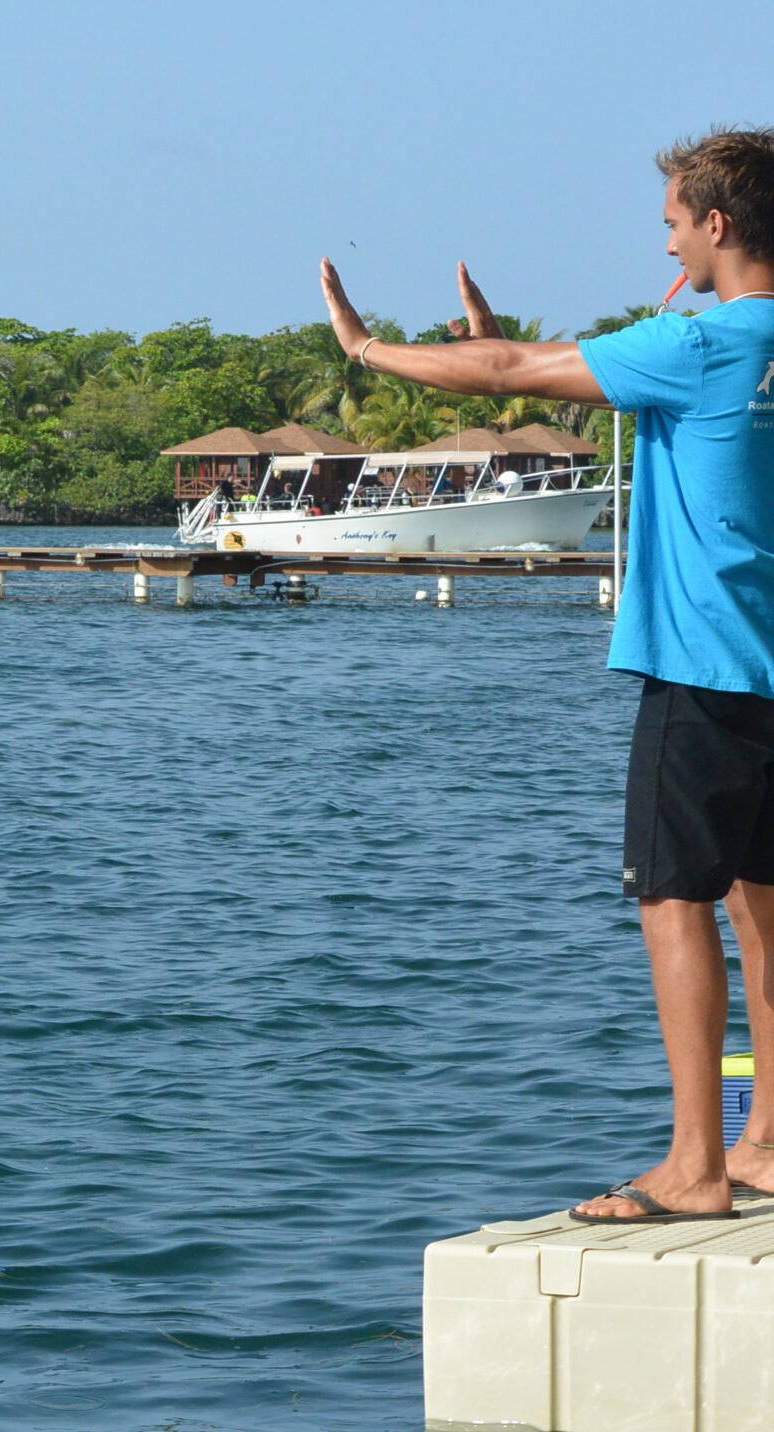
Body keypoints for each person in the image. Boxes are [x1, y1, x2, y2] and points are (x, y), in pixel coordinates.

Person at [318, 128, 774, 1222]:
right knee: (766, 901)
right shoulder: (724, 342)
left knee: (675, 899)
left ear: (717, 226)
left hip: (703, 662)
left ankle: (695, 1167)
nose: (663, 236)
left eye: (673, 220)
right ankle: (767, 1139)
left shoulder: (703, 342)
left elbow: (518, 371)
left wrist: (368, 351)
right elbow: (592, 384)